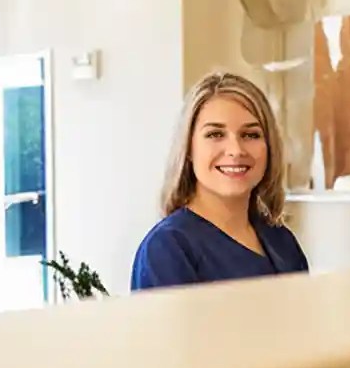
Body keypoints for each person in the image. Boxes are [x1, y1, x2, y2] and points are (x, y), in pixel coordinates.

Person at [131, 71, 309, 291]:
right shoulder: (168, 248)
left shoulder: (282, 241)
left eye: (251, 135)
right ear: (188, 148)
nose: (235, 151)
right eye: (215, 134)